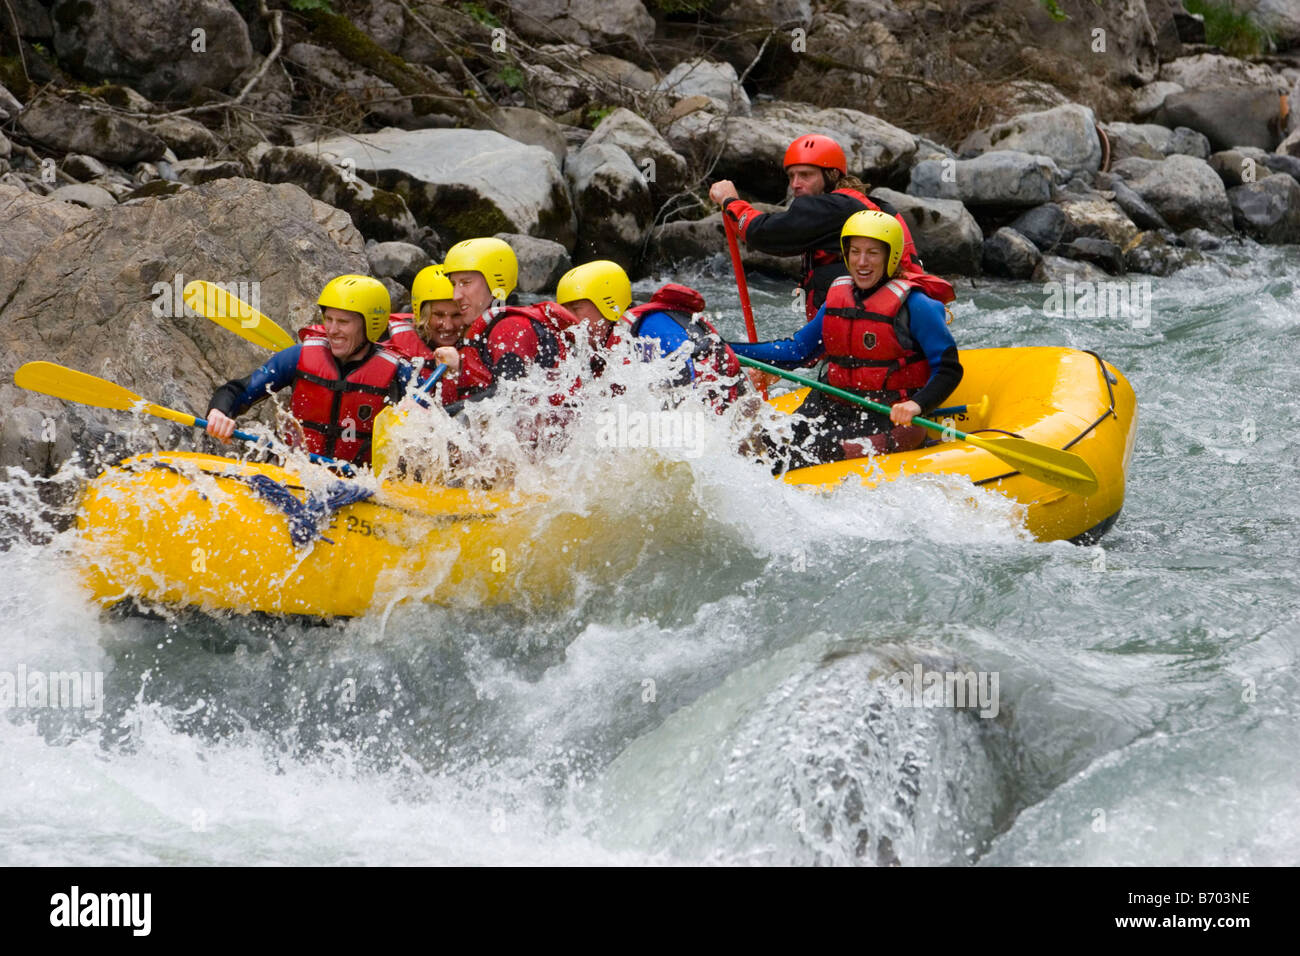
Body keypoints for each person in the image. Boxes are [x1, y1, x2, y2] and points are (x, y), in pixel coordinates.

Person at [728, 210, 962, 470]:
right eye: (855, 252)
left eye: (872, 253)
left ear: (891, 256)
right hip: (831, 406)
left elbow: (949, 369)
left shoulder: (917, 305)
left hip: (888, 417)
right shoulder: (837, 298)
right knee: (758, 444)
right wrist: (724, 346)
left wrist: (917, 404)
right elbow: (797, 351)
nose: (862, 262)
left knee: (803, 455)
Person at [708, 133, 953, 323]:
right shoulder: (868, 204)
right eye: (791, 176)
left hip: (886, 325)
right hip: (893, 318)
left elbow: (762, 234)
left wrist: (731, 202)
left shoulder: (832, 209)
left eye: (805, 175)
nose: (796, 184)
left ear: (832, 175)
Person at [205, 275, 418, 466]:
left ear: (370, 325)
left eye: (343, 322)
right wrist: (219, 412)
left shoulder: (397, 372)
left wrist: (418, 413)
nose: (333, 330)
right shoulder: (298, 357)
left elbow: (435, 424)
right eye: (329, 319)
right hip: (295, 474)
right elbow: (236, 390)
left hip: (359, 487)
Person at [555, 259, 744, 407]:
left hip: (728, 415)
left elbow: (684, 381)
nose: (567, 317)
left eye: (576, 308)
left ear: (608, 303)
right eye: (564, 309)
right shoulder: (602, 351)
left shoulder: (651, 326)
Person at [442, 237, 579, 397]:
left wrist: (435, 415)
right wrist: (458, 369)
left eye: (465, 283)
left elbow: (508, 397)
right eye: (453, 284)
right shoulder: (491, 330)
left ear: (496, 283)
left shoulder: (510, 328)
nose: (455, 295)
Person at [384, 264, 492, 406]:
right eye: (438, 315)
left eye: (456, 315)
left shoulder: (483, 348)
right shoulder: (390, 343)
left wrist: (461, 369)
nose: (448, 326)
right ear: (422, 314)